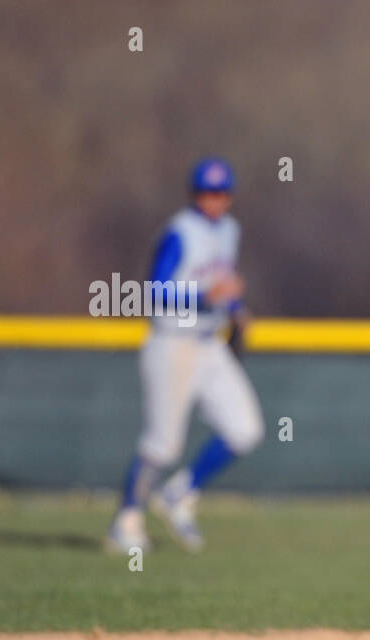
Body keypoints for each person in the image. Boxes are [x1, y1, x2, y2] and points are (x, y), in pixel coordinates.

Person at [105, 158, 263, 555]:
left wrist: (236, 307)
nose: (216, 200)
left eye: (223, 193)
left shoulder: (230, 230)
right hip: (172, 342)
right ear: (195, 195)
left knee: (245, 430)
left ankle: (179, 494)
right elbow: (153, 289)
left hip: (209, 343)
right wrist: (201, 298)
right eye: (209, 193)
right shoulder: (180, 231)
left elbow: (222, 283)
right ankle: (125, 523)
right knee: (163, 444)